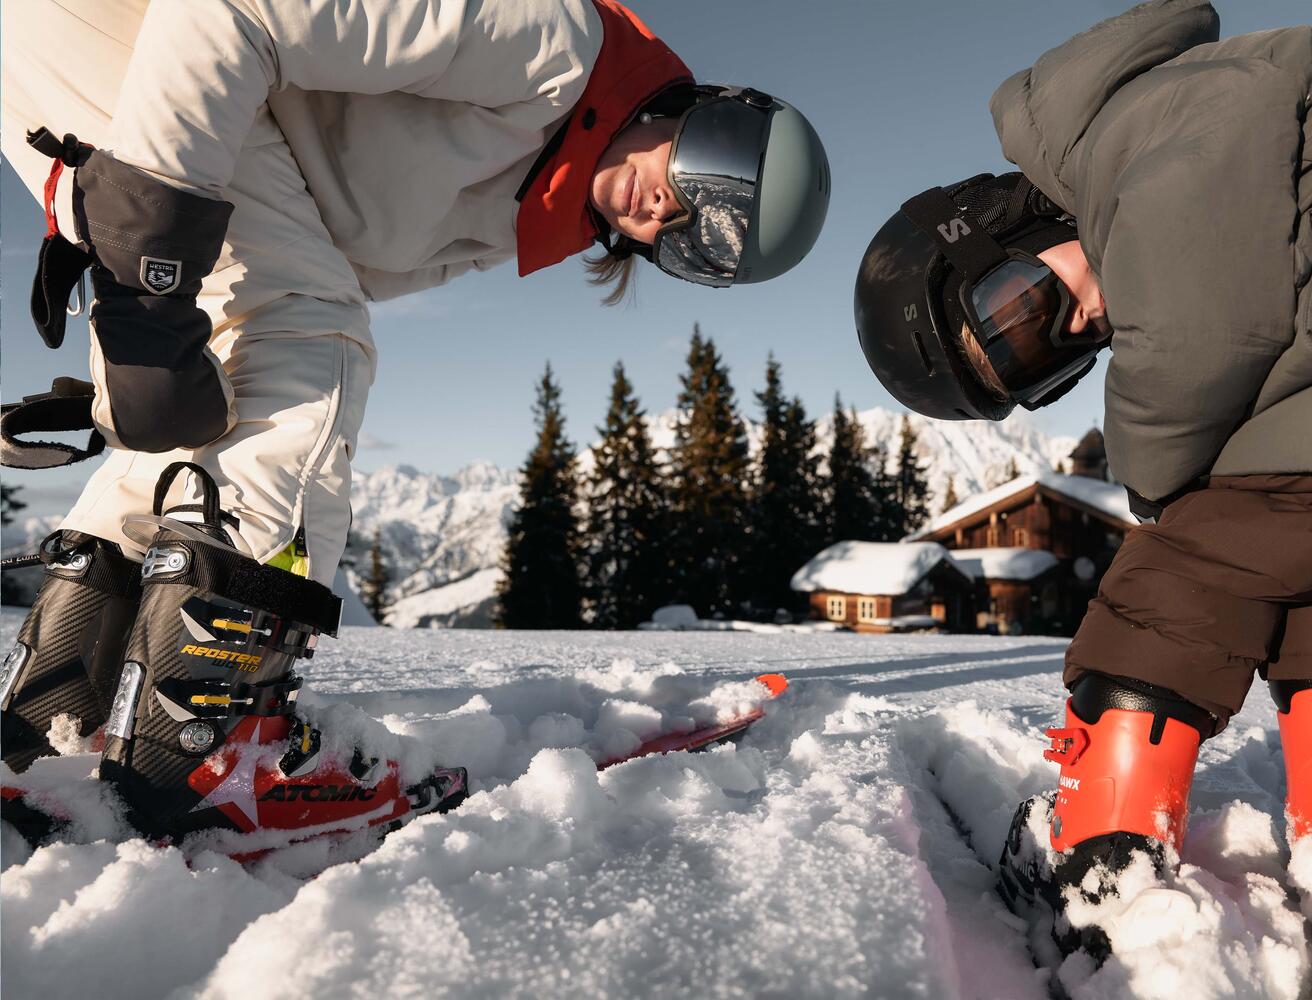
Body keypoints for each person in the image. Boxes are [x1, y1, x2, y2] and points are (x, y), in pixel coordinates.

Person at [0, 0, 830, 845]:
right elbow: (230, 13)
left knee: (239, 378)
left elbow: (302, 266)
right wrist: (154, 273)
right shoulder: (553, 41)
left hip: (102, 80)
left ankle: (56, 717)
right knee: (307, 337)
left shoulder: (524, 205)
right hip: (139, 38)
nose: (665, 213)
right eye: (706, 175)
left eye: (697, 243)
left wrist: (158, 333)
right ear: (701, 108)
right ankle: (210, 754)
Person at [853, 0, 1312, 963]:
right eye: (1036, 362)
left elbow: (1204, 337)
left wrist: (1161, 495)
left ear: (999, 224)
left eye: (1020, 311)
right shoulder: (1172, 140)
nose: (1070, 328)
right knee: (1301, 519)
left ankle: (1100, 847)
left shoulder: (1122, 123)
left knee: (1210, 540)